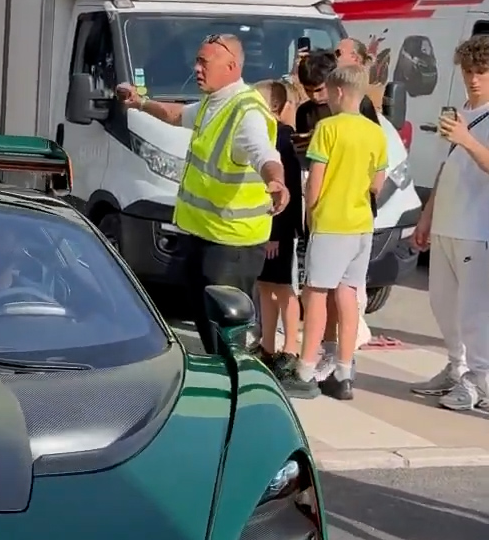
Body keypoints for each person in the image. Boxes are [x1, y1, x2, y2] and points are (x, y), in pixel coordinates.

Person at [117, 35, 289, 353]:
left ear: (231, 67)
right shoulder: (215, 102)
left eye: (204, 62)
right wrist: (139, 102)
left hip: (231, 245)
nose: (196, 68)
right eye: (197, 61)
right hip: (204, 237)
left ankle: (236, 380)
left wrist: (276, 181)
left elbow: (264, 153)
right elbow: (175, 115)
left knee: (227, 339)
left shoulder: (246, 112)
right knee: (208, 328)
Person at [285, 66, 388, 402]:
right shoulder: (375, 132)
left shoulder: (327, 128)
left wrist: (311, 213)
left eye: (328, 93)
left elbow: (315, 180)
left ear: (339, 91)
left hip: (331, 222)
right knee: (348, 294)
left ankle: (305, 368)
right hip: (361, 224)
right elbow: (378, 183)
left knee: (315, 295)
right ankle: (344, 371)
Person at [408, 34, 489, 413]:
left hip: (478, 227)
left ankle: (480, 378)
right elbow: (447, 166)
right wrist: (427, 215)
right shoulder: (462, 111)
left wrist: (467, 139)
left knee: (475, 309)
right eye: (469, 71)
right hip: (447, 222)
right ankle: (457, 367)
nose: (473, 79)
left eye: (481, 71)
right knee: (443, 305)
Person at [254, 80, 303, 375]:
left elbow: (288, 191)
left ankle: (291, 348)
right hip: (263, 227)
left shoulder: (283, 140)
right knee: (265, 286)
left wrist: (276, 234)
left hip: (279, 230)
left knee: (284, 289)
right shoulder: (265, 137)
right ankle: (268, 345)